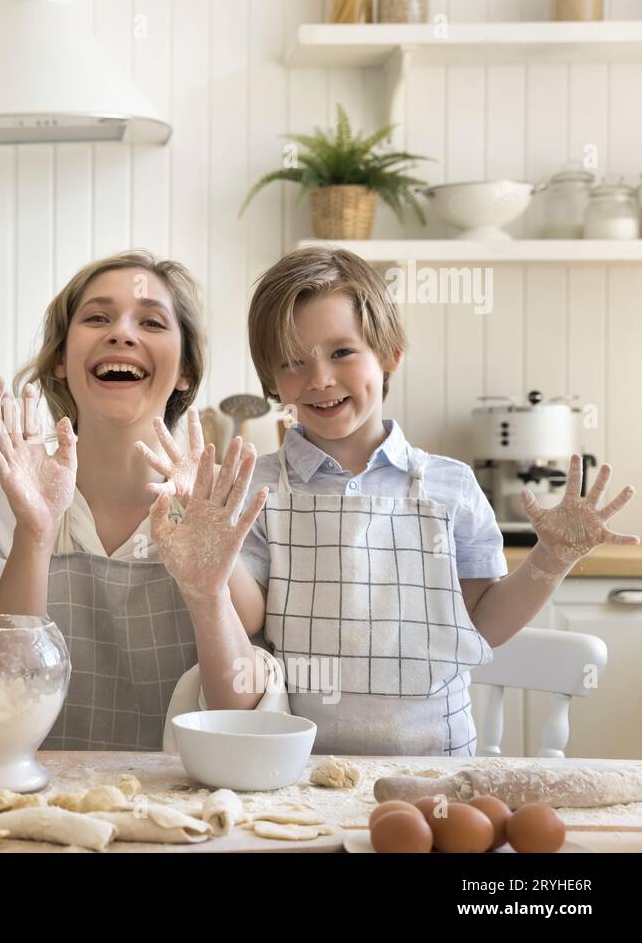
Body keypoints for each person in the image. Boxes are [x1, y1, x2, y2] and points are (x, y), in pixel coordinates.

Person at [232, 246, 639, 755]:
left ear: (389, 355)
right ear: (272, 381)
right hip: (300, 769)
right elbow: (248, 622)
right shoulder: (257, 489)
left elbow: (483, 624)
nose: (319, 379)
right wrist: (212, 544)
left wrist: (551, 558)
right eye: (294, 361)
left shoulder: (451, 487)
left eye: (342, 352)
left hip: (438, 766)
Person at [0, 250, 287, 752]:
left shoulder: (223, 497)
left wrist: (206, 588)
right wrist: (36, 532)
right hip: (14, 801)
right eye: (97, 317)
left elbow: (236, 720)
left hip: (180, 807)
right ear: (61, 360)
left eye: (151, 322)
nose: (122, 333)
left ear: (185, 371)